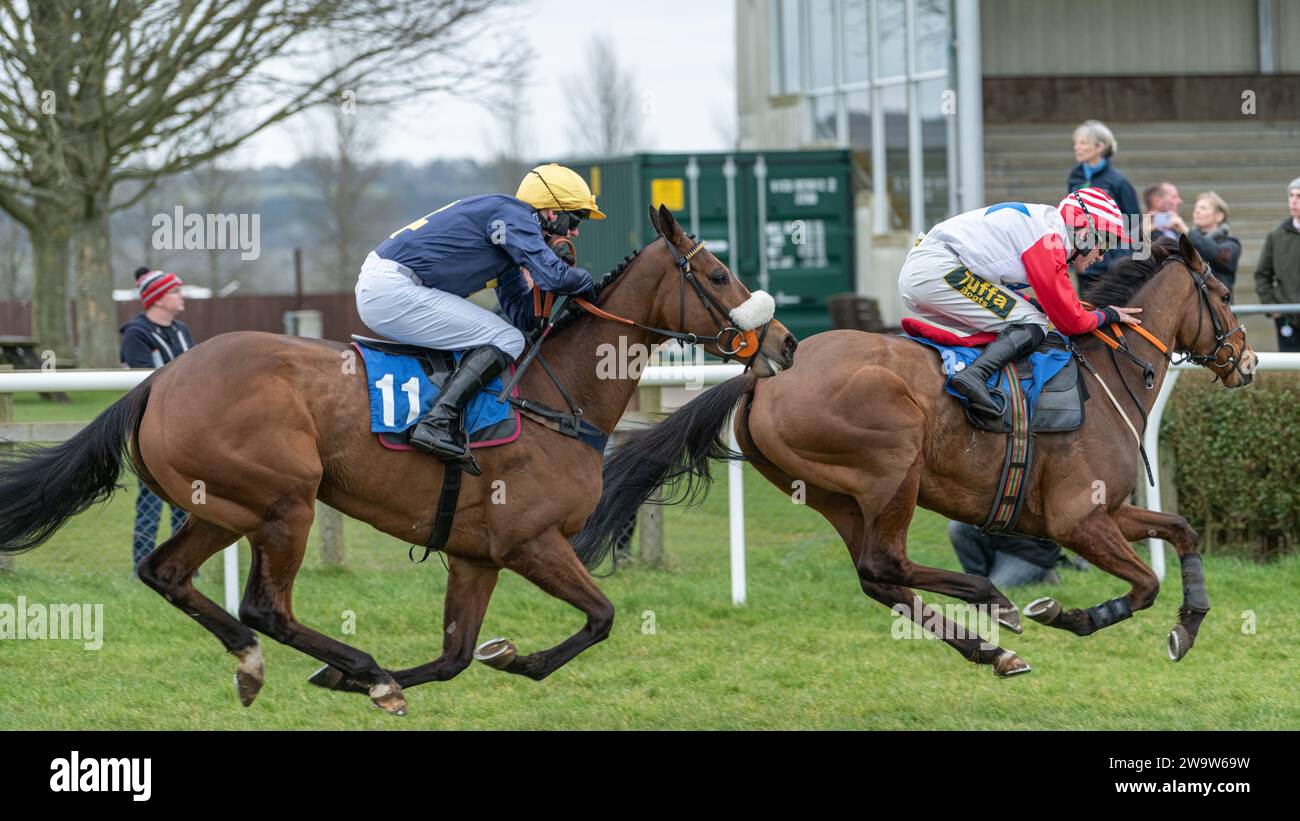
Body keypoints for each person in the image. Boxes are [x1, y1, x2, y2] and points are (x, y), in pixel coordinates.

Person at [355, 163, 602, 472]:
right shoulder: (513, 214)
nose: (576, 231)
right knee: (505, 339)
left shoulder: (509, 240)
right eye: (575, 218)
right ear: (551, 212)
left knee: (509, 335)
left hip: (391, 287)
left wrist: (548, 284)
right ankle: (437, 422)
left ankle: (442, 418)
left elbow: (524, 317)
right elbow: (555, 277)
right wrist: (584, 284)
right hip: (392, 287)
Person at [899, 187, 1142, 416]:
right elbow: (1071, 323)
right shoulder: (1050, 239)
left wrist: (1038, 305)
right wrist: (1108, 315)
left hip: (933, 268)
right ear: (1085, 233)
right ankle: (974, 376)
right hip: (936, 270)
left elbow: (1005, 290)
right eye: (1106, 243)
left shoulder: (1046, 228)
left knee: (1027, 317)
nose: (1102, 256)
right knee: (1033, 322)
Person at [119, 268, 195, 572]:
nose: (182, 296)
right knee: (150, 501)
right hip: (153, 428)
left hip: (189, 426)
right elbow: (142, 384)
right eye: (175, 291)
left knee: (189, 498)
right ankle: (142, 564)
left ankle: (184, 564)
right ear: (159, 299)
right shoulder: (135, 334)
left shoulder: (181, 330)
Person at [1066, 120, 1140, 286]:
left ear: (1099, 147)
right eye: (1076, 143)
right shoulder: (1074, 177)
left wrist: (1116, 255)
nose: (1076, 147)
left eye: (1083, 143)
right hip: (1082, 261)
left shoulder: (1118, 182)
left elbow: (1134, 222)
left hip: (1110, 264)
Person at [1254, 177, 1300, 353]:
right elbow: (1262, 275)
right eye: (1291, 195)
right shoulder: (1276, 236)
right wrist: (1272, 308)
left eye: (1299, 196)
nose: (1294, 201)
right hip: (1286, 317)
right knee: (1291, 373)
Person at [949, 522, 1065, 587]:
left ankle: (1044, 575)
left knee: (991, 593)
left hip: (1030, 554)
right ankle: (976, 581)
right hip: (1000, 543)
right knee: (958, 526)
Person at [1188, 191, 1241, 296]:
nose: (1196, 211)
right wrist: (1149, 228)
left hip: (1218, 307)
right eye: (1196, 208)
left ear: (1219, 216)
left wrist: (1188, 232)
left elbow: (1215, 254)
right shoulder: (1190, 239)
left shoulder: (1231, 243)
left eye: (1203, 208)